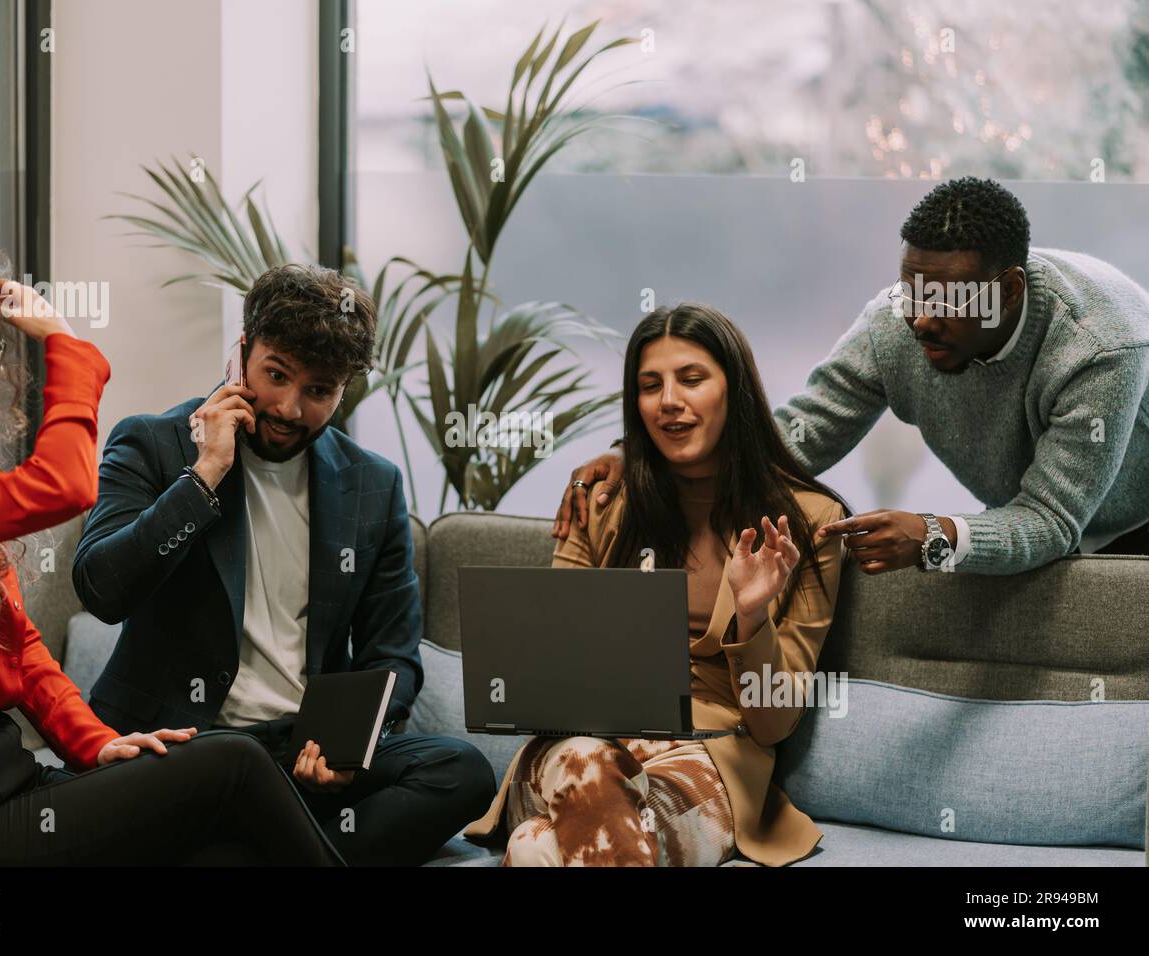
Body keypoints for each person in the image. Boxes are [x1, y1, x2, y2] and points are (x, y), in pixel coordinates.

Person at [0, 252, 341, 865]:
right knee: (235, 763)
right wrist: (64, 341)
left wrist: (98, 745)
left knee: (223, 844)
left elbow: (20, 649)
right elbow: (61, 486)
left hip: (7, 779)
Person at [72, 262, 496, 867]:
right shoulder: (152, 442)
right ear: (241, 354)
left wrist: (347, 746)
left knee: (461, 770)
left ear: (343, 389)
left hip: (299, 755)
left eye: (319, 390)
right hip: (181, 751)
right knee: (225, 794)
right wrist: (204, 476)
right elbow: (102, 590)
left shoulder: (371, 484)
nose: (290, 409)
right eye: (276, 375)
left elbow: (392, 655)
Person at [558, 177, 1149, 574]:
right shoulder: (895, 325)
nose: (920, 321)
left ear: (1010, 291)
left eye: (944, 303)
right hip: (1044, 526)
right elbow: (797, 435)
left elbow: (1050, 519)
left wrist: (932, 535)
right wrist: (638, 457)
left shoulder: (1099, 348)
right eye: (911, 292)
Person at [464, 303, 849, 866]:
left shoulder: (810, 521)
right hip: (572, 755)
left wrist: (753, 614)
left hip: (704, 764)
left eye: (691, 379)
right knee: (588, 762)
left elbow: (771, 723)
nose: (669, 400)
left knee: (537, 849)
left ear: (734, 390)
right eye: (650, 386)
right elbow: (548, 676)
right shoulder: (601, 503)